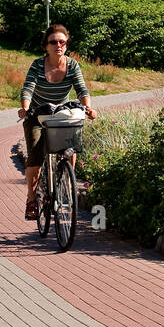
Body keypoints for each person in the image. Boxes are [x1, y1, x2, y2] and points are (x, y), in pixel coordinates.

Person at [18, 24, 98, 219]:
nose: (58, 45)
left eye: (62, 41)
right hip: (37, 114)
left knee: (70, 148)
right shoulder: (38, 65)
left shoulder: (72, 65)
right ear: (46, 46)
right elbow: (28, 88)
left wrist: (87, 107)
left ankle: (66, 183)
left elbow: (81, 89)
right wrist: (25, 108)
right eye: (53, 42)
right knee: (36, 156)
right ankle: (31, 199)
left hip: (61, 114)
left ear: (66, 44)